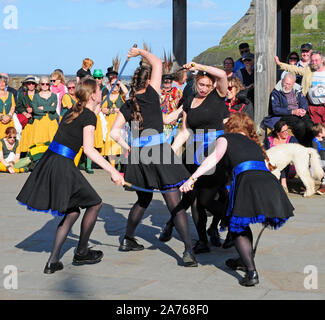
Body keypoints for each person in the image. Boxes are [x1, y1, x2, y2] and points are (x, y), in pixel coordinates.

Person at [17, 77, 125, 274]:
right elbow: (90, 150)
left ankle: (53, 262)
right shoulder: (88, 117)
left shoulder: (74, 111)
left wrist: (94, 112)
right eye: (100, 90)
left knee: (73, 211)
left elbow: (78, 127)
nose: (102, 92)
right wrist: (113, 171)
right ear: (93, 95)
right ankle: (82, 252)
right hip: (63, 165)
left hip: (51, 161)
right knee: (95, 203)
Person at [180, 113, 294, 286]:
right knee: (240, 223)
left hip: (248, 181)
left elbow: (213, 158)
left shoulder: (225, 138)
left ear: (231, 127)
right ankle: (243, 260)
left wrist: (192, 178)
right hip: (267, 182)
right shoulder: (253, 143)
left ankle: (251, 272)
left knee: (237, 225)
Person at [110, 46, 197, 267]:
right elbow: (158, 63)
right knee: (173, 201)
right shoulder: (152, 94)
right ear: (148, 82)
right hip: (158, 151)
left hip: (139, 156)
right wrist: (139, 51)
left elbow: (113, 133)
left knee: (143, 199)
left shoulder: (127, 104)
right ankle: (188, 250)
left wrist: (129, 147)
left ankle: (127, 239)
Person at [161, 60, 229, 254]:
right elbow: (185, 132)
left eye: (208, 85)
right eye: (202, 84)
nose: (205, 88)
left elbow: (223, 75)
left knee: (208, 198)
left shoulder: (218, 95)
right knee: (193, 198)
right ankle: (202, 240)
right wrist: (171, 152)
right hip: (193, 151)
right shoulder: (189, 101)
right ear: (196, 83)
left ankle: (232, 223)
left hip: (215, 150)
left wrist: (200, 66)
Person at [275, 51, 325, 124]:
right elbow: (294, 69)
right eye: (312, 60)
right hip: (313, 107)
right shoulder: (309, 70)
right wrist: (280, 64)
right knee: (317, 131)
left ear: (322, 60)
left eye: (316, 60)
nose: (314, 62)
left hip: (324, 107)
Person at [264, 73, 313, 146]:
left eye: (289, 84)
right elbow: (275, 109)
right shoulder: (276, 92)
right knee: (300, 125)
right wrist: (292, 111)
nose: (286, 85)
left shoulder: (297, 89)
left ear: (293, 84)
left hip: (298, 111)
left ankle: (310, 145)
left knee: (310, 125)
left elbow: (304, 102)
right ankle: (303, 145)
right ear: (282, 80)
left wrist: (303, 109)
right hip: (285, 114)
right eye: (285, 83)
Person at [101, 75, 129, 168]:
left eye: (117, 85)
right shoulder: (106, 96)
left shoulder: (122, 96)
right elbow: (103, 109)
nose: (115, 86)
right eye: (113, 84)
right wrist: (116, 110)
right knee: (110, 144)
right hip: (109, 121)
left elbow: (126, 92)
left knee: (120, 143)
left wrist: (119, 82)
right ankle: (112, 165)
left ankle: (120, 165)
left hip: (120, 122)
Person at [264, 120, 298, 193]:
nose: (287, 132)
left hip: (289, 167)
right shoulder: (269, 140)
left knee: (282, 159)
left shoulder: (292, 140)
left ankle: (283, 182)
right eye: (284, 131)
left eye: (287, 130)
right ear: (277, 133)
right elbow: (265, 154)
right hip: (272, 167)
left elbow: (296, 154)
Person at [32, 76, 59, 145]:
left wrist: (43, 108)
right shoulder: (36, 96)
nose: (45, 85)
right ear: (40, 84)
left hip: (51, 121)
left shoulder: (54, 96)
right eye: (43, 84)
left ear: (49, 85)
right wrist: (49, 107)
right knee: (39, 143)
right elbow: (35, 110)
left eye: (47, 84)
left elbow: (53, 109)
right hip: (39, 121)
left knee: (53, 142)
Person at [16, 75, 38, 152]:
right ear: (26, 85)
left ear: (35, 84)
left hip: (37, 121)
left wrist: (34, 110)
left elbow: (43, 106)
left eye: (33, 83)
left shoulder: (39, 94)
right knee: (25, 144)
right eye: (29, 83)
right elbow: (18, 107)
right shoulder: (22, 95)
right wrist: (25, 112)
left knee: (35, 143)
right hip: (27, 122)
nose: (31, 85)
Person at [0, 74, 16, 140]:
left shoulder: (10, 94)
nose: (2, 84)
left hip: (9, 121)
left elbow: (13, 106)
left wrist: (9, 116)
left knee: (9, 139)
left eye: (3, 82)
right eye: (0, 82)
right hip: (1, 121)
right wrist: (2, 117)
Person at [311, 123, 325, 195]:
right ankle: (309, 186)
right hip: (318, 161)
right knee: (311, 169)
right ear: (319, 133)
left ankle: (323, 185)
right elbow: (315, 153)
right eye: (324, 130)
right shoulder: (315, 141)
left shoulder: (324, 139)